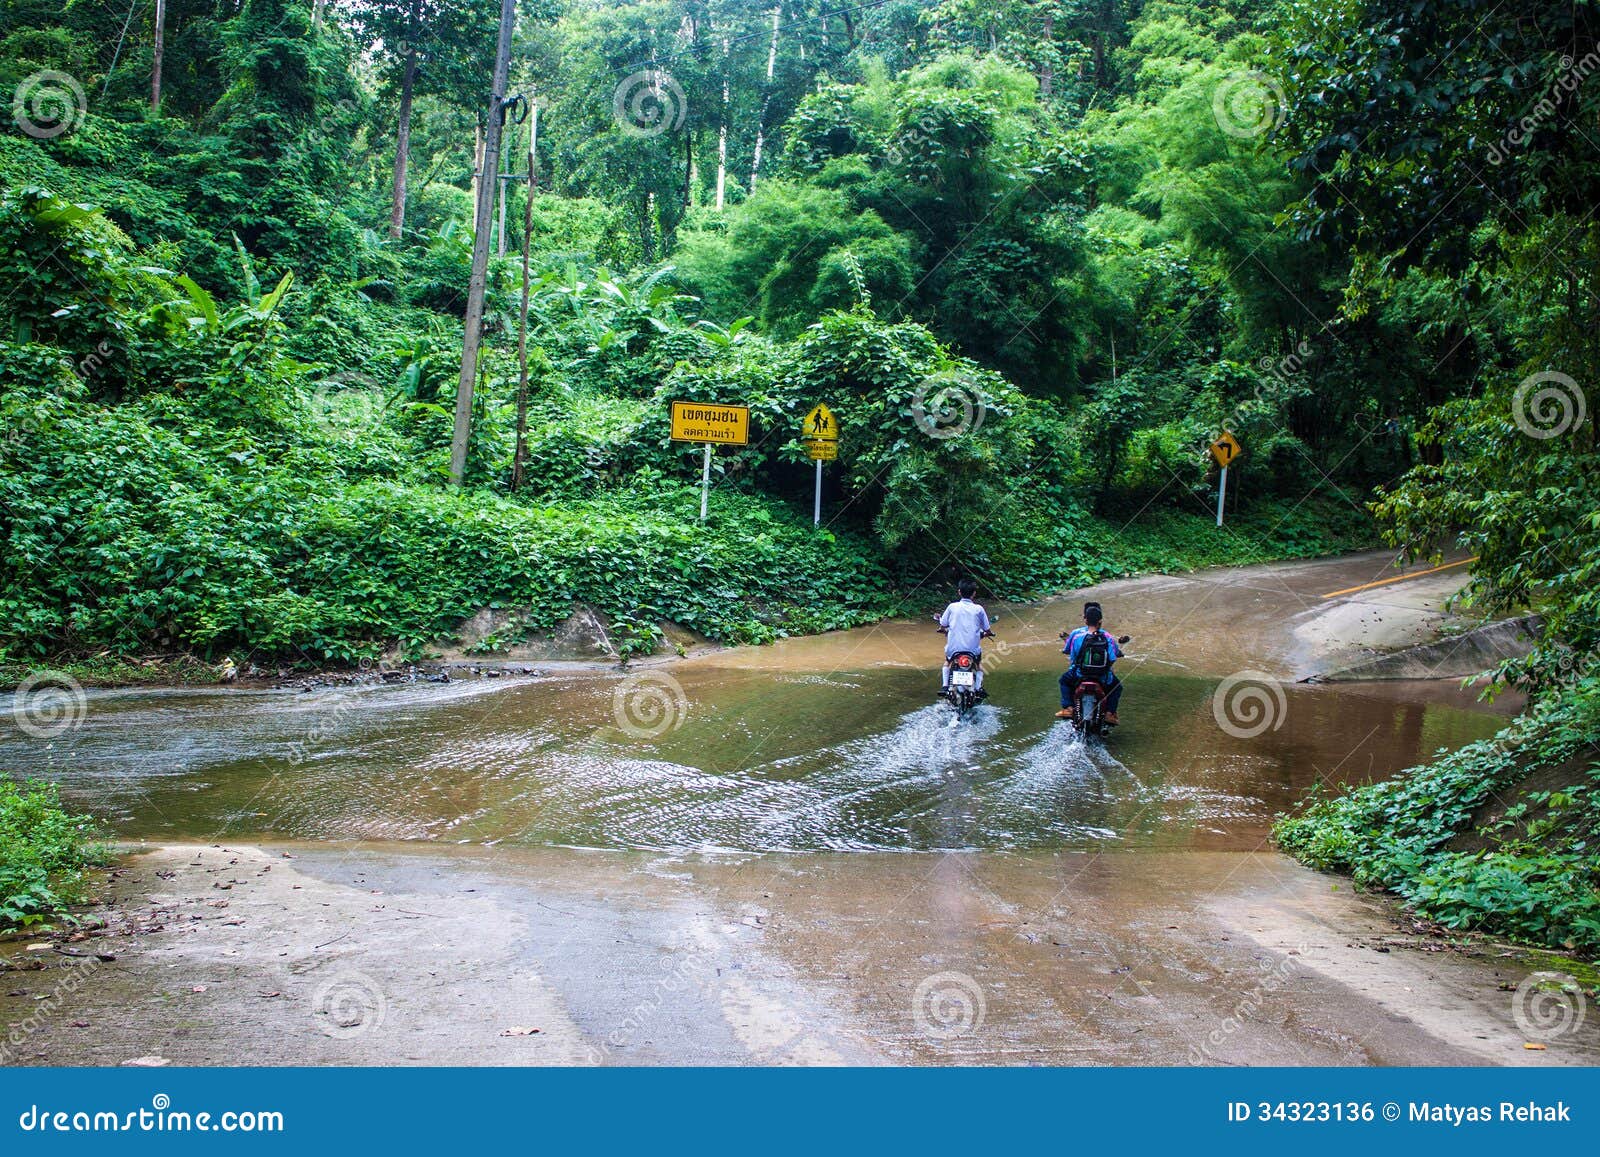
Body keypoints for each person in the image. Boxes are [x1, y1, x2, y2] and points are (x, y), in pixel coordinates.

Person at [1056, 601, 1122, 722]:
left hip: (1079, 675)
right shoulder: (1107, 636)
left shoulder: (1076, 635)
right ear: (1100, 621)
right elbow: (1112, 659)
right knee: (1117, 687)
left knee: (1063, 681)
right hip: (1102, 677)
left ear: (1085, 620)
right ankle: (1109, 713)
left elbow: (1071, 654)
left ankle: (1068, 708)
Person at [938, 577, 991, 699]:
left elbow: (943, 624)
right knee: (978, 665)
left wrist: (942, 629)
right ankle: (978, 688)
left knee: (947, 662)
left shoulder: (952, 607)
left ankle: (945, 686)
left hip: (953, 649)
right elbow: (987, 629)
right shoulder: (979, 609)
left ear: (959, 592)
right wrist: (988, 633)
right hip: (972, 651)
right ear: (974, 594)